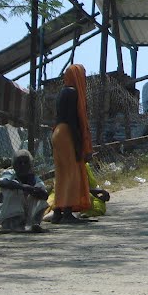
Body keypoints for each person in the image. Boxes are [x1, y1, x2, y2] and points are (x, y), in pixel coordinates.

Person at [51, 64, 94, 224]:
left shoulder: (63, 92)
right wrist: (80, 145)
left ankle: (57, 212)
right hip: (67, 133)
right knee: (72, 173)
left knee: (62, 174)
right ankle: (67, 212)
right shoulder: (73, 93)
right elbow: (73, 120)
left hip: (57, 132)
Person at [0, 149, 49, 233]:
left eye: (25, 162)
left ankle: (34, 222)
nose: (22, 165)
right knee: (14, 187)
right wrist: (23, 187)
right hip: (9, 217)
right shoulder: (10, 174)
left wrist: (32, 189)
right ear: (14, 165)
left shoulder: (34, 178)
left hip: (27, 218)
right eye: (19, 162)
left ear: (30, 164)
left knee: (39, 188)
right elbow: (1, 182)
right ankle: (15, 222)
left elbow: (45, 196)